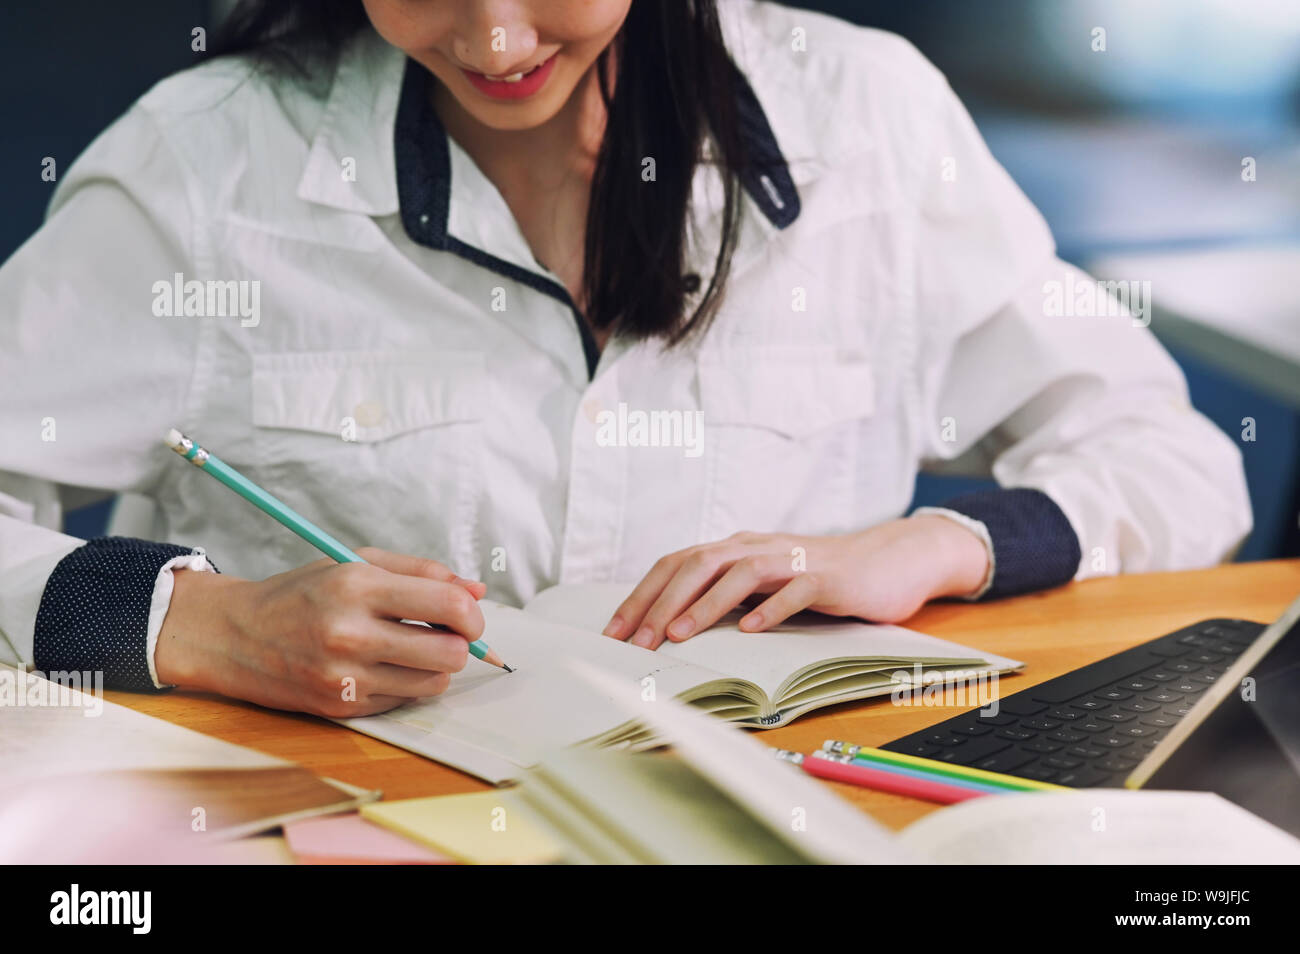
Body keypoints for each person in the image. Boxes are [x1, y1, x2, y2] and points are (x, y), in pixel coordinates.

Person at [0, 0, 1250, 717]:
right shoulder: (208, 167)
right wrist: (197, 626)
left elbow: (1177, 463)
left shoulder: (869, 118)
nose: (493, 38)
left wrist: (933, 543)